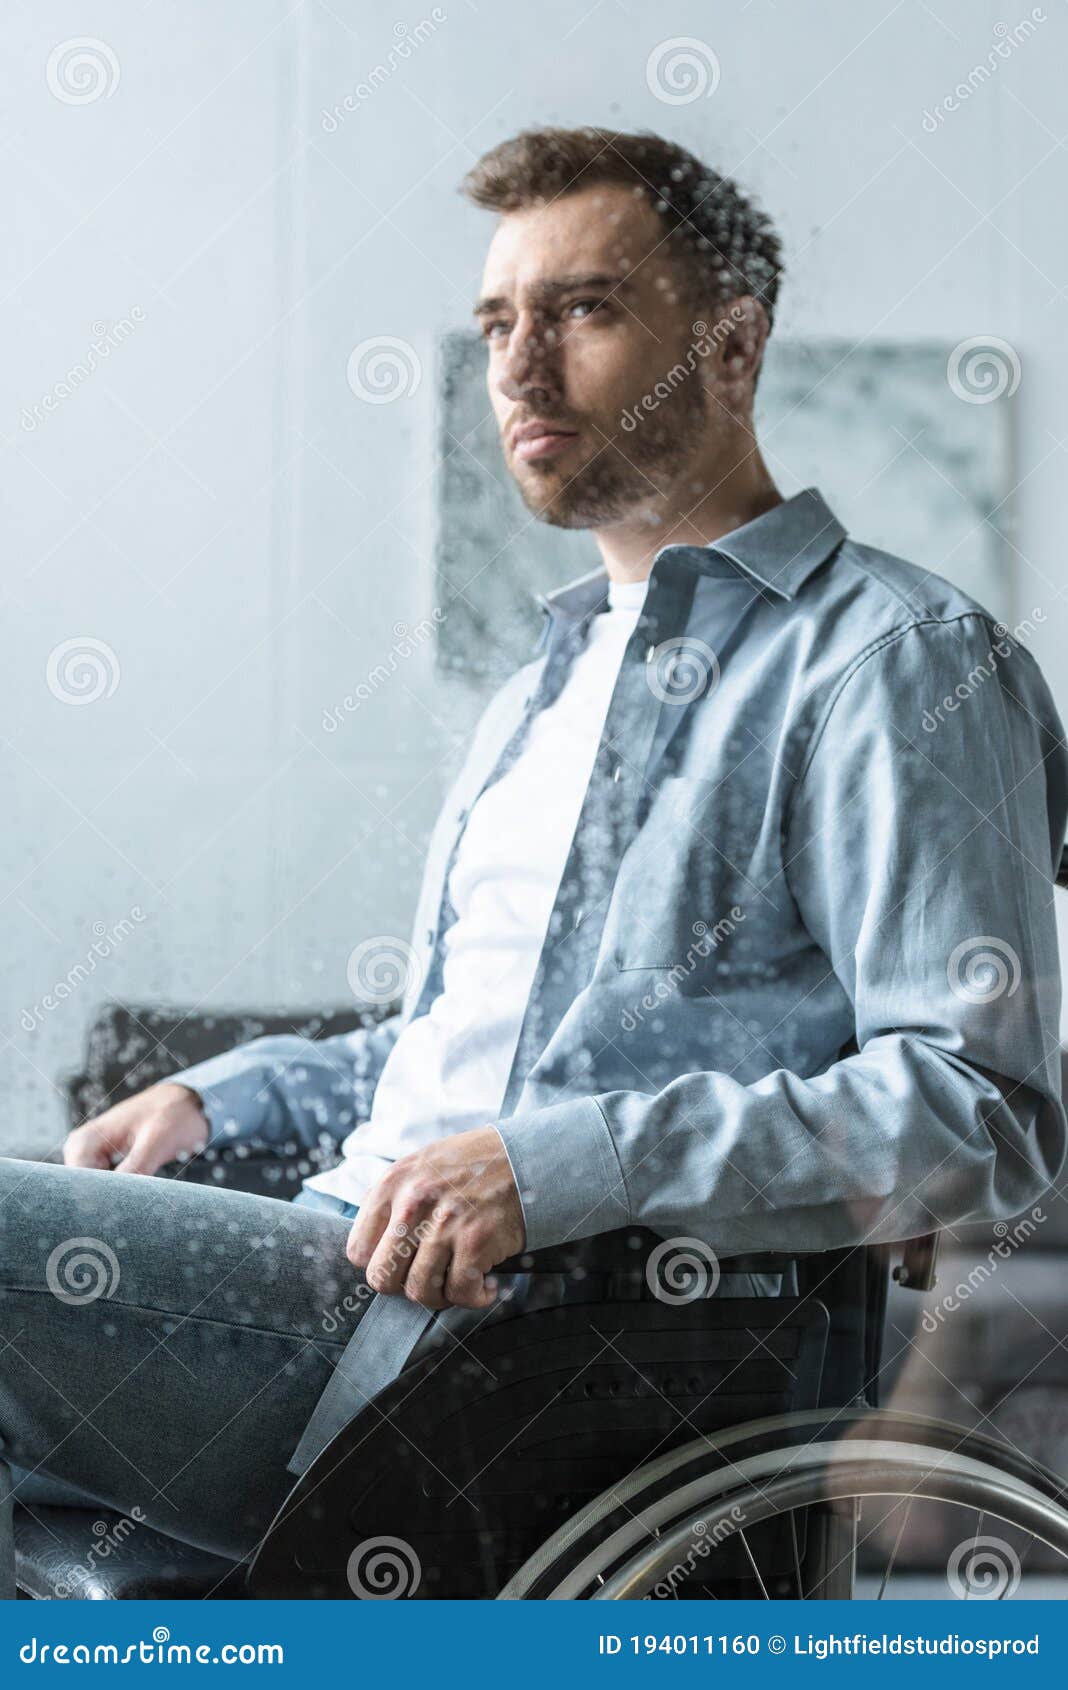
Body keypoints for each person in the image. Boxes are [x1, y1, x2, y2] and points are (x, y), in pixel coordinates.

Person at [2, 127, 1065, 1592]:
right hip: (355, 1260)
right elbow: (473, 1059)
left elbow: (977, 1111)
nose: (516, 364)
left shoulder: (895, 661)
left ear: (734, 345)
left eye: (585, 308)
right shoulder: (544, 687)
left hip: (525, 1349)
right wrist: (219, 1090)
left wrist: (560, 1166)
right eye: (500, 319)